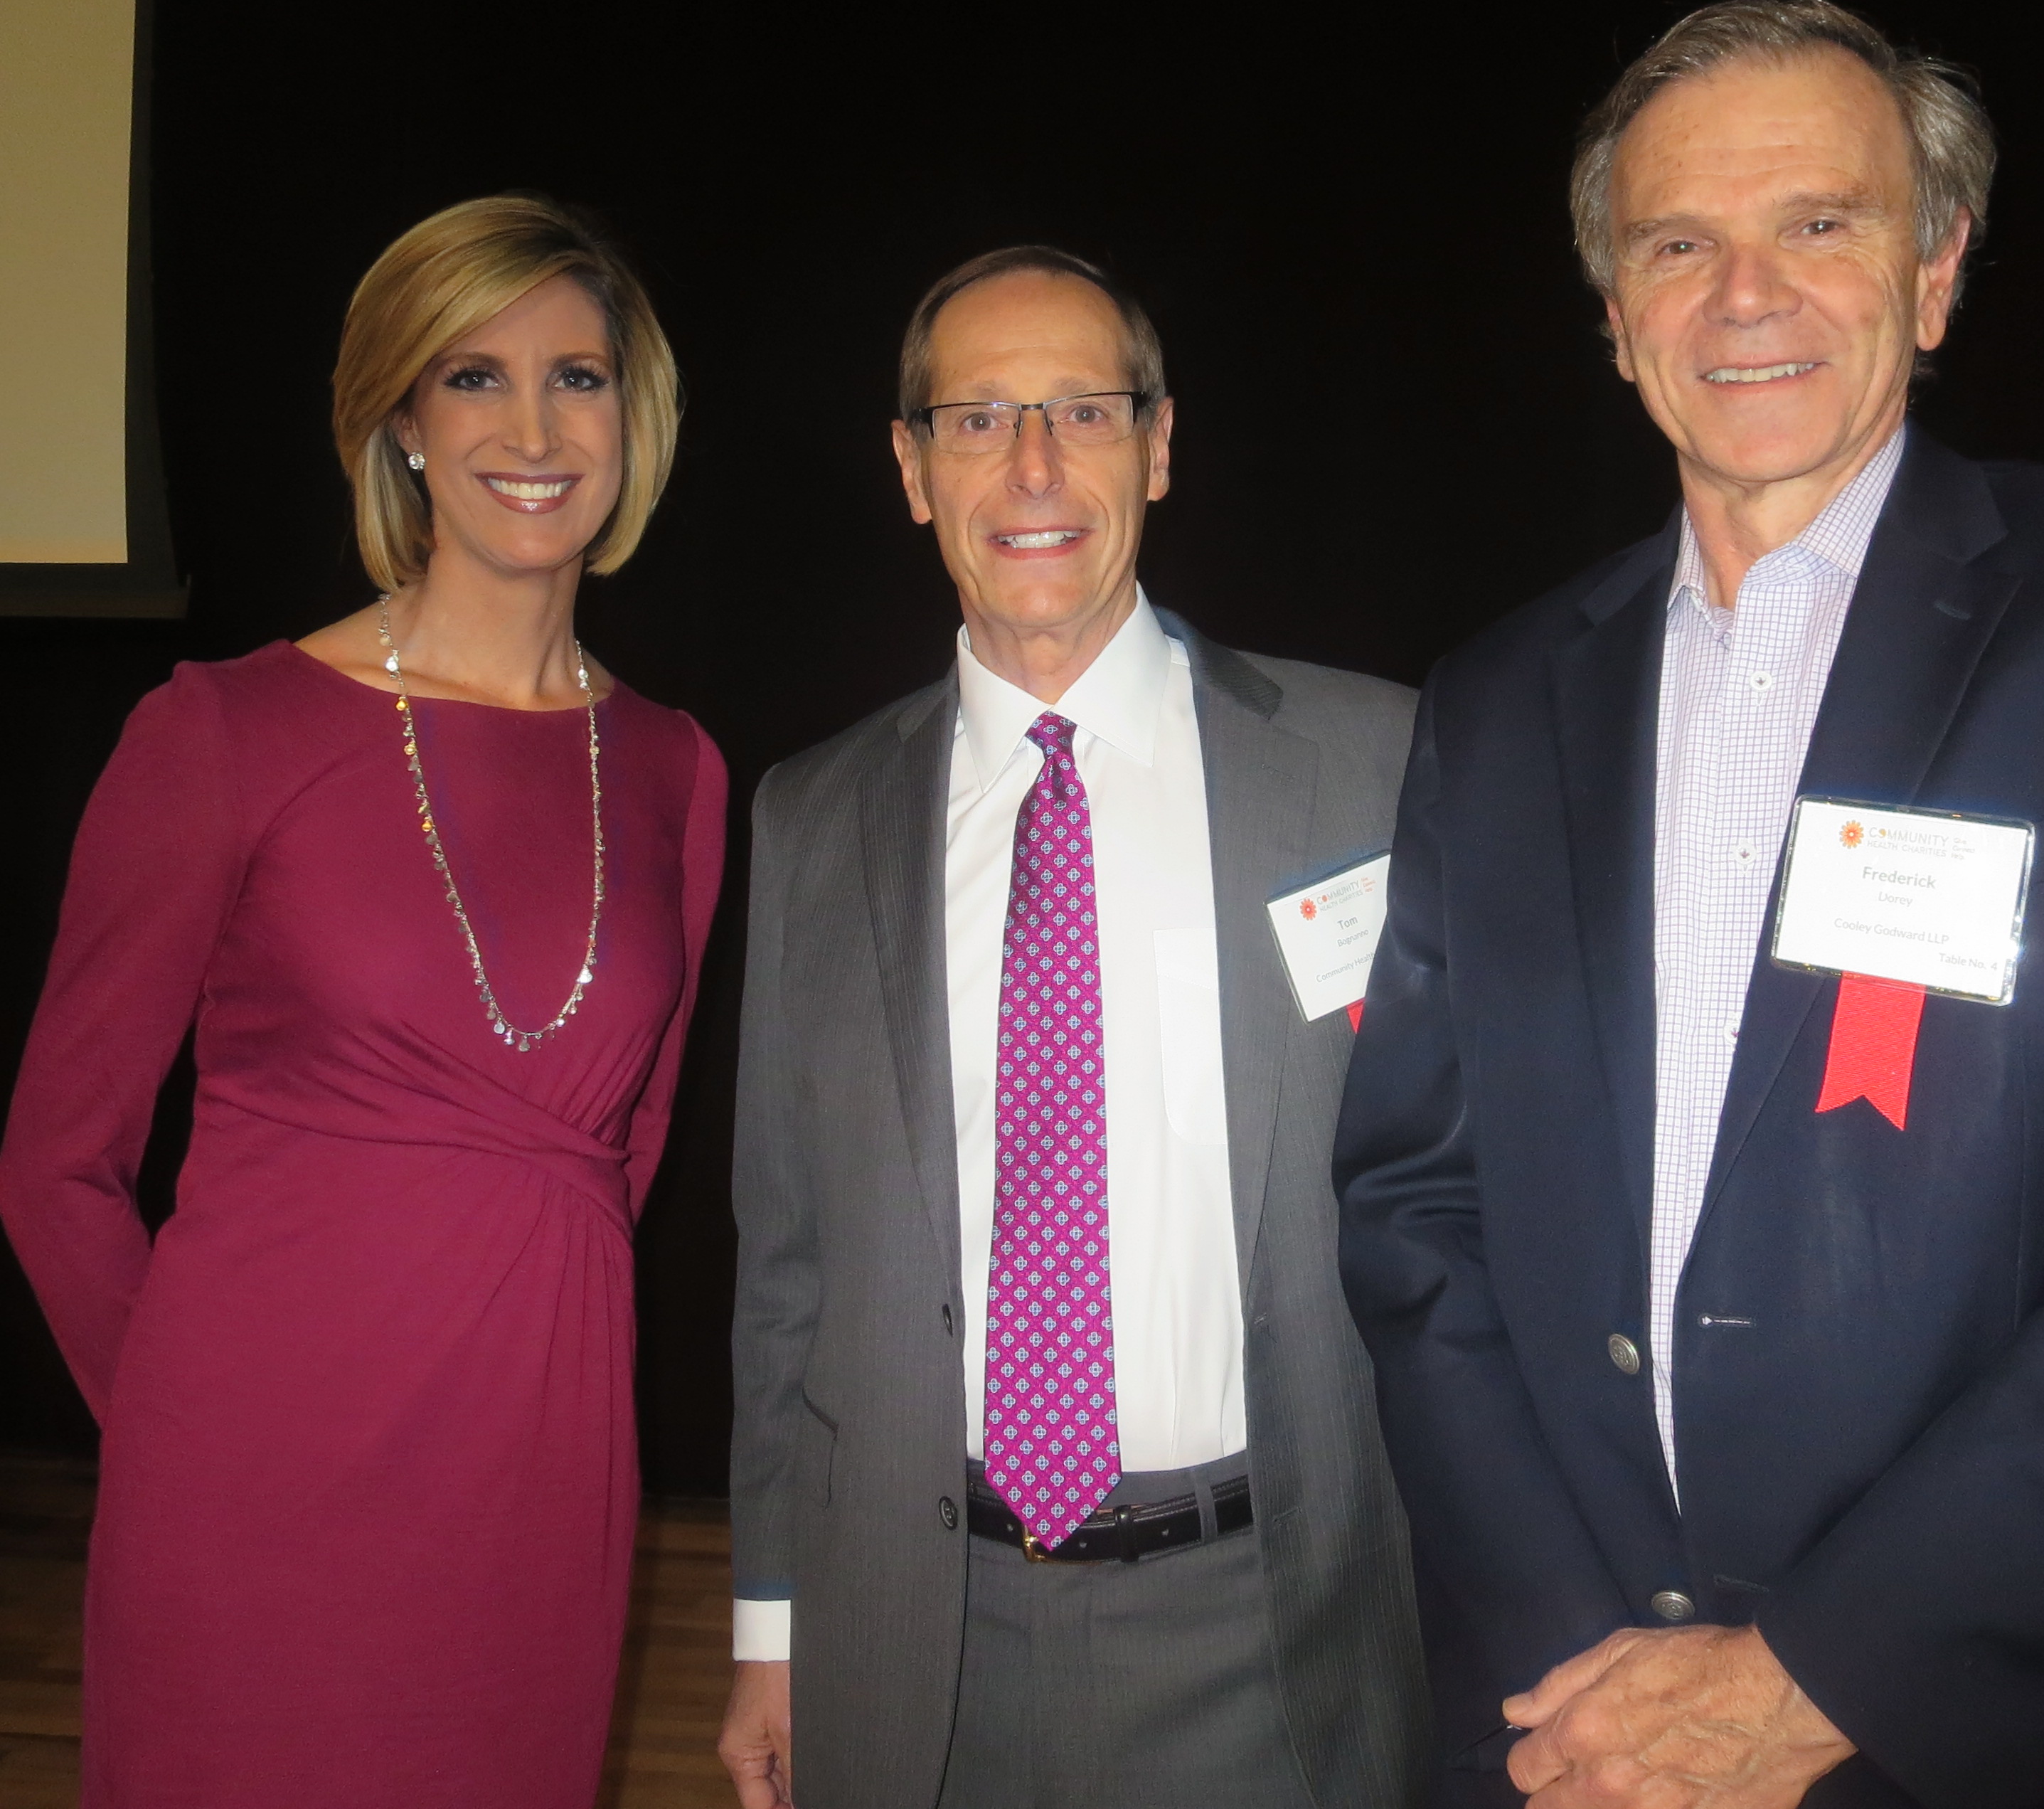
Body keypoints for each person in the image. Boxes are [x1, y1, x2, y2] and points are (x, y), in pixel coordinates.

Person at [1336, 0, 2044, 1809]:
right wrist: (1579, 1677)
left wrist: (1825, 1671)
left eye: (1817, 224)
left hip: (1961, 1734)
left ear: (1933, 275)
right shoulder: (1494, 692)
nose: (1742, 292)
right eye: (1676, 242)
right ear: (1614, 320)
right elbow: (1410, 1201)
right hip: (1565, 1734)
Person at [0, 195, 727, 1808]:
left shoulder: (676, 767)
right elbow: (55, 1161)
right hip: (248, 1493)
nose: (534, 428)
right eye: (474, 377)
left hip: (535, 1490)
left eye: (580, 377)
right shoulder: (224, 732)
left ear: (634, 416)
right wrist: (190, 1450)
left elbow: (624, 1156)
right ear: (400, 419)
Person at [720, 245, 1428, 1809]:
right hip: (918, 1638)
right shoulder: (809, 818)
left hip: (1275, 1623)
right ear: (909, 471)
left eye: (1081, 411)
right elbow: (782, 1267)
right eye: (975, 419)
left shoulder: (1372, 765)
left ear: (1158, 443)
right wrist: (767, 1622)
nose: (1031, 465)